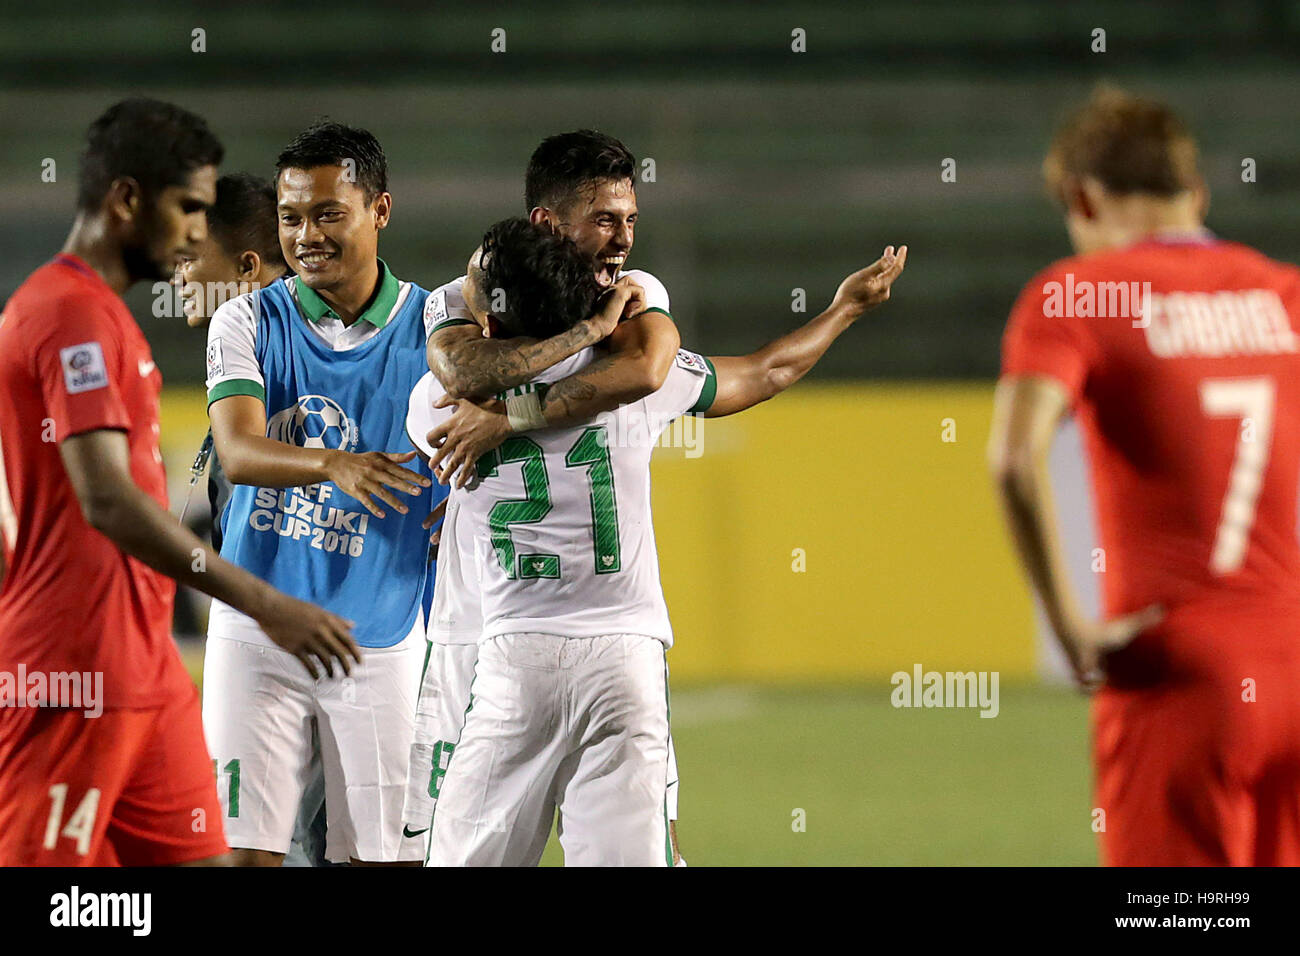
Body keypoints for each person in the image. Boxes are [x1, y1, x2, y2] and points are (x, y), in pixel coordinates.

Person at [409, 217, 906, 865]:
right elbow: (767, 372)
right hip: (626, 659)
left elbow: (472, 382)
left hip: (517, 661)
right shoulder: (642, 380)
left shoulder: (437, 405)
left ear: (494, 323)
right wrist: (844, 310)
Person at [0, 98, 358, 867]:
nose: (198, 231)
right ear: (128, 200)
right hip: (70, 669)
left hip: (143, 664)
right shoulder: (66, 314)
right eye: (187, 208)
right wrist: (265, 603)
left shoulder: (107, 319)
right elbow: (107, 499)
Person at [989, 86, 1300, 866]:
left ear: (1082, 198)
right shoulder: (1284, 293)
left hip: (1178, 671)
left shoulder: (1077, 295)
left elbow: (1014, 459)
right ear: (1196, 191)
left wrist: (1069, 629)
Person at [202, 121, 442, 866]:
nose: (307, 236)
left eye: (328, 214)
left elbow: (487, 429)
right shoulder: (244, 319)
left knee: (380, 859)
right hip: (257, 629)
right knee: (243, 855)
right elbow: (239, 451)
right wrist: (334, 464)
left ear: (380, 210)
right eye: (291, 217)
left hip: (379, 635)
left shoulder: (439, 326)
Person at [172, 172, 336, 867]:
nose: (177, 272)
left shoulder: (297, 365)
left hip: (305, 658)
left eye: (191, 256)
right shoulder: (259, 361)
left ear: (245, 267)